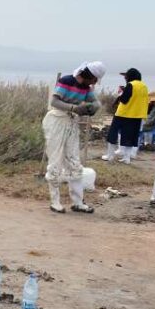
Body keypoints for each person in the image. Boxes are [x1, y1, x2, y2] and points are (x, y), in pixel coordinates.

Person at [43, 61, 103, 214]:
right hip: (57, 120)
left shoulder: (86, 88)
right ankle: (55, 201)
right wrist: (74, 108)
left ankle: (77, 201)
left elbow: (94, 101)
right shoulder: (67, 81)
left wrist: (94, 106)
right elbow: (54, 101)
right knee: (55, 160)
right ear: (90, 76)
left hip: (71, 121)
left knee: (74, 161)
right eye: (95, 79)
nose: (95, 83)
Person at [102, 68, 148, 164]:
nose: (125, 78)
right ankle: (127, 158)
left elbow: (124, 100)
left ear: (130, 76)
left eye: (126, 76)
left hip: (124, 113)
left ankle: (110, 156)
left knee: (113, 133)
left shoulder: (131, 85)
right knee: (130, 137)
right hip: (137, 115)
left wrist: (120, 95)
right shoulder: (144, 86)